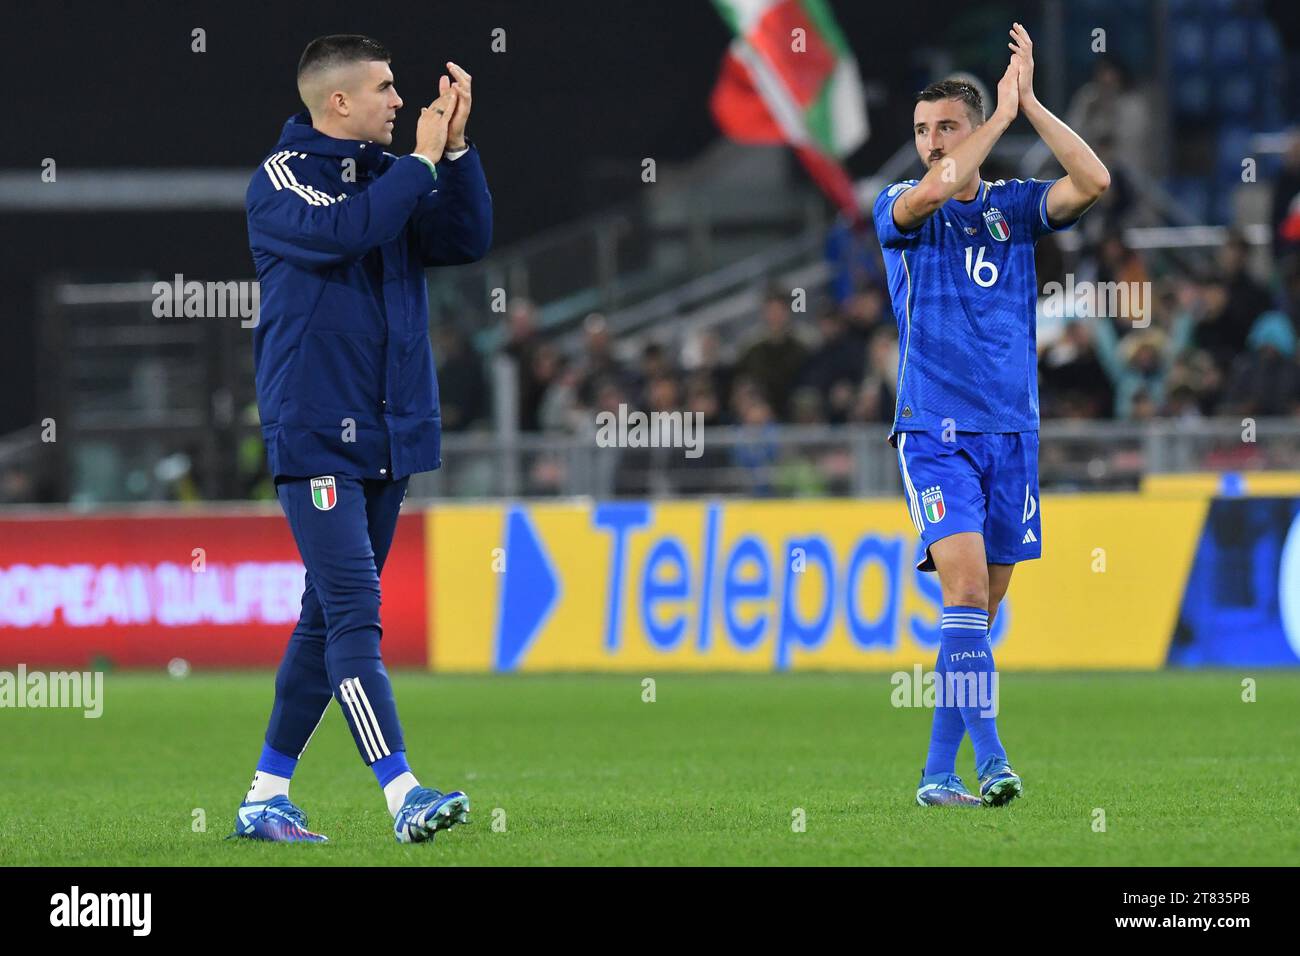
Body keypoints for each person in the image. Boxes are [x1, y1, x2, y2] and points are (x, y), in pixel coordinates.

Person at [235, 35, 492, 843]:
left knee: (323, 619)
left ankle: (262, 799)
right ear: (336, 102)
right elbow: (346, 234)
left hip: (390, 429)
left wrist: (455, 152)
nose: (397, 99)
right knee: (354, 613)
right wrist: (420, 163)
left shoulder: (392, 177)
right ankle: (402, 792)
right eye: (383, 87)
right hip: (315, 432)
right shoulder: (280, 182)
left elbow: (464, 240)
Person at [872, 24, 1108, 807]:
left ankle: (938, 776)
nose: (930, 142)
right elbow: (937, 188)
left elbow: (1094, 179)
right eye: (920, 130)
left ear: (970, 130)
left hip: (1013, 433)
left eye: (945, 128)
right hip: (935, 431)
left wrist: (1030, 104)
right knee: (966, 591)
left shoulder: (1015, 207)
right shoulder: (901, 209)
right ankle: (996, 760)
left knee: (982, 609)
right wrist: (998, 121)